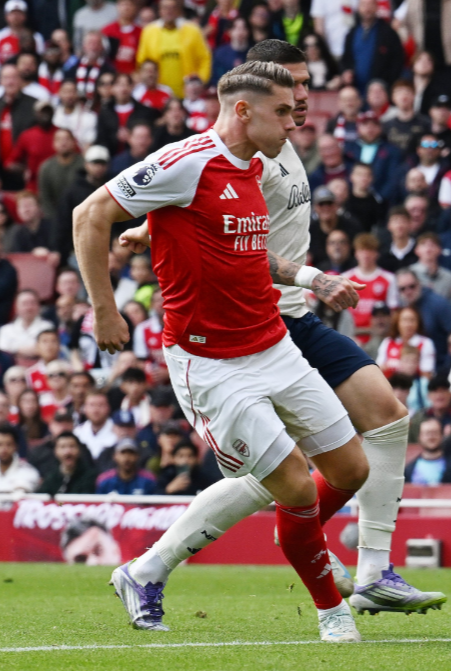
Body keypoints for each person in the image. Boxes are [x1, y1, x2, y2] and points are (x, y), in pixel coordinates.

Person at [116, 43, 443, 620]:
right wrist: (152, 231)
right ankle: (159, 565)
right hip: (259, 318)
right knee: (280, 476)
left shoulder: (281, 143)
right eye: (291, 88)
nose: (301, 100)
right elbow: (208, 211)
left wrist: (149, 230)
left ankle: (369, 569)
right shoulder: (249, 147)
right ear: (254, 95)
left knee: (386, 417)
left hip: (294, 313)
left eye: (306, 86)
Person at [77, 61, 379, 641]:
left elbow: (245, 249)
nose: (296, 124)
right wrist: (104, 308)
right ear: (243, 110)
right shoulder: (186, 161)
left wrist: (310, 278)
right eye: (285, 112)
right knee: (293, 482)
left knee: (351, 468)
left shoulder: (253, 167)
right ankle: (332, 613)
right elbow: (89, 214)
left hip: (274, 344)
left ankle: (281, 542)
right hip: (211, 364)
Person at [136, 0, 211, 95]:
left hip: (188, 92)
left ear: (178, 10)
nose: (169, 11)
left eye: (172, 8)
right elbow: (142, 60)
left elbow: (204, 58)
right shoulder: (149, 31)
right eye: (165, 8)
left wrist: (200, 81)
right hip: (158, 91)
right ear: (160, 10)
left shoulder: (193, 30)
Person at [405, 417, 451, 485]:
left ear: (442, 436)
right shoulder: (409, 470)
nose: (431, 437)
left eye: (435, 432)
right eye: (427, 433)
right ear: (419, 437)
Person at [0, 423, 40, 493]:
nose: (4, 450)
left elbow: (20, 496)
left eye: (9, 444)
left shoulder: (28, 472)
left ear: (16, 446)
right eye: (0, 444)